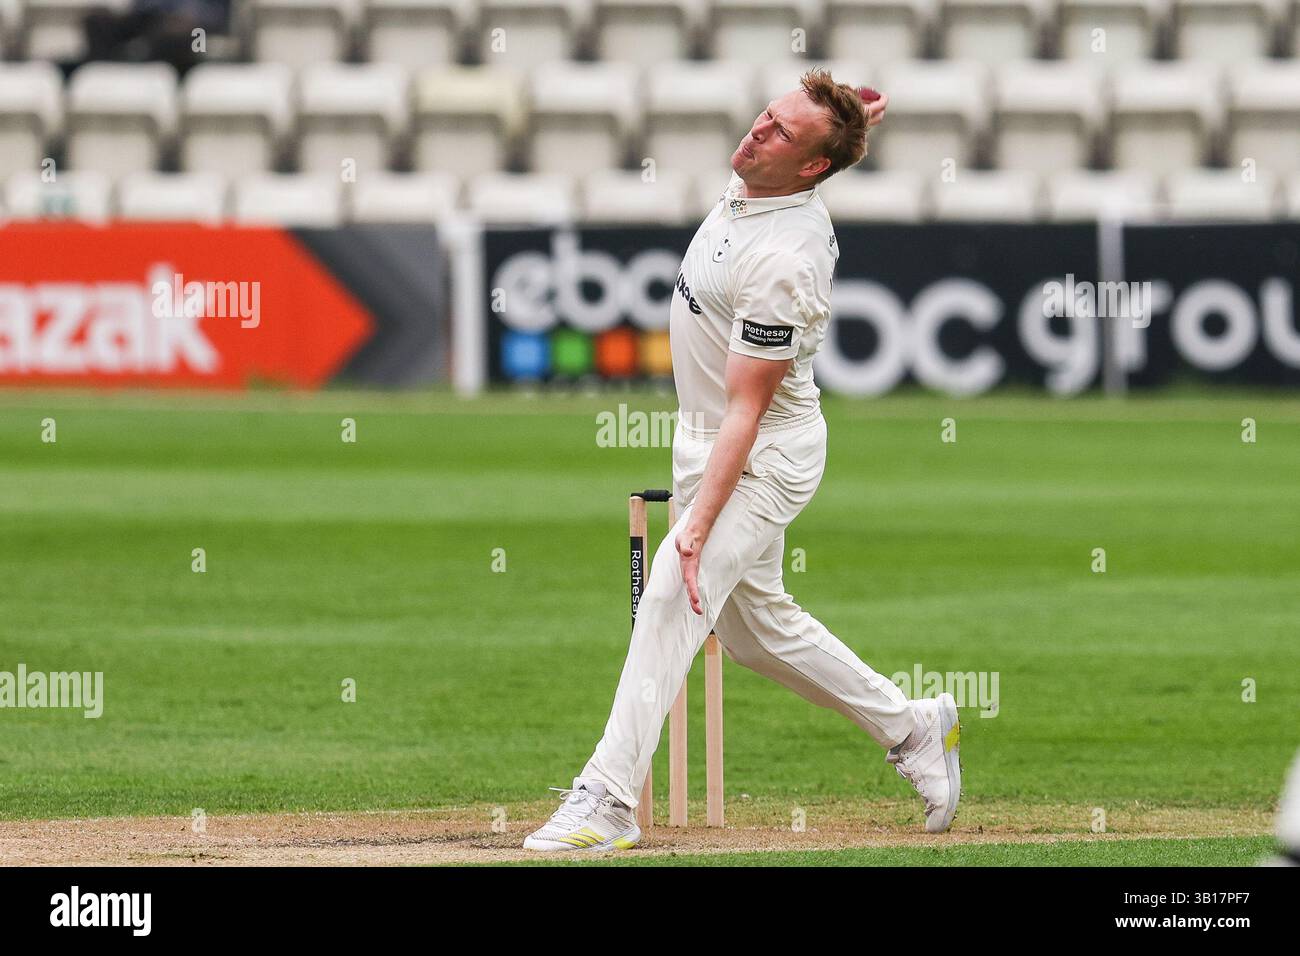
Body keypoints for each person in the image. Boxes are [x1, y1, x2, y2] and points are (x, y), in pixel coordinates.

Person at [524, 71, 961, 852]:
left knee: (669, 598)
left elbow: (747, 410)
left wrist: (692, 526)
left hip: (760, 456)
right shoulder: (757, 182)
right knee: (757, 632)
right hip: (707, 440)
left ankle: (609, 799)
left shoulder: (785, 258)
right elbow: (816, 139)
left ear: (811, 171)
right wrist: (850, 115)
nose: (759, 133)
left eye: (782, 134)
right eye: (766, 117)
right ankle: (914, 726)